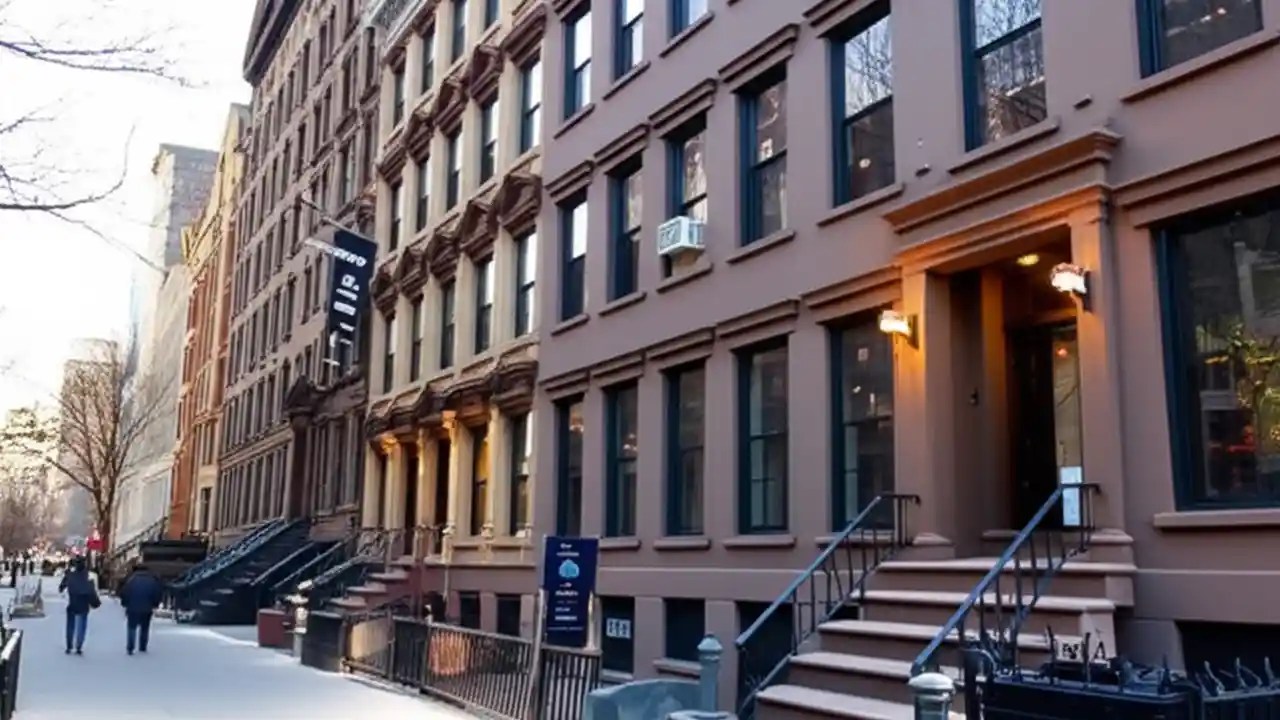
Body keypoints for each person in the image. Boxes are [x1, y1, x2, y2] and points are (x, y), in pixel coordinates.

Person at [119, 563, 164, 655]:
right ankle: (143, 646)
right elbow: (157, 593)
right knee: (145, 627)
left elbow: (125, 592)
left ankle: (130, 647)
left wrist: (125, 603)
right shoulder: (152, 580)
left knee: (132, 627)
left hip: (132, 608)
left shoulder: (131, 580)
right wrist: (155, 604)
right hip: (147, 608)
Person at [58, 557, 101, 654]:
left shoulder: (71, 576)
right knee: (81, 626)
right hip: (83, 605)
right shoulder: (88, 578)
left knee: (70, 626)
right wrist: (96, 603)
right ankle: (78, 646)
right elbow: (91, 592)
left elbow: (63, 585)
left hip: (72, 603)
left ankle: (69, 645)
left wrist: (62, 586)